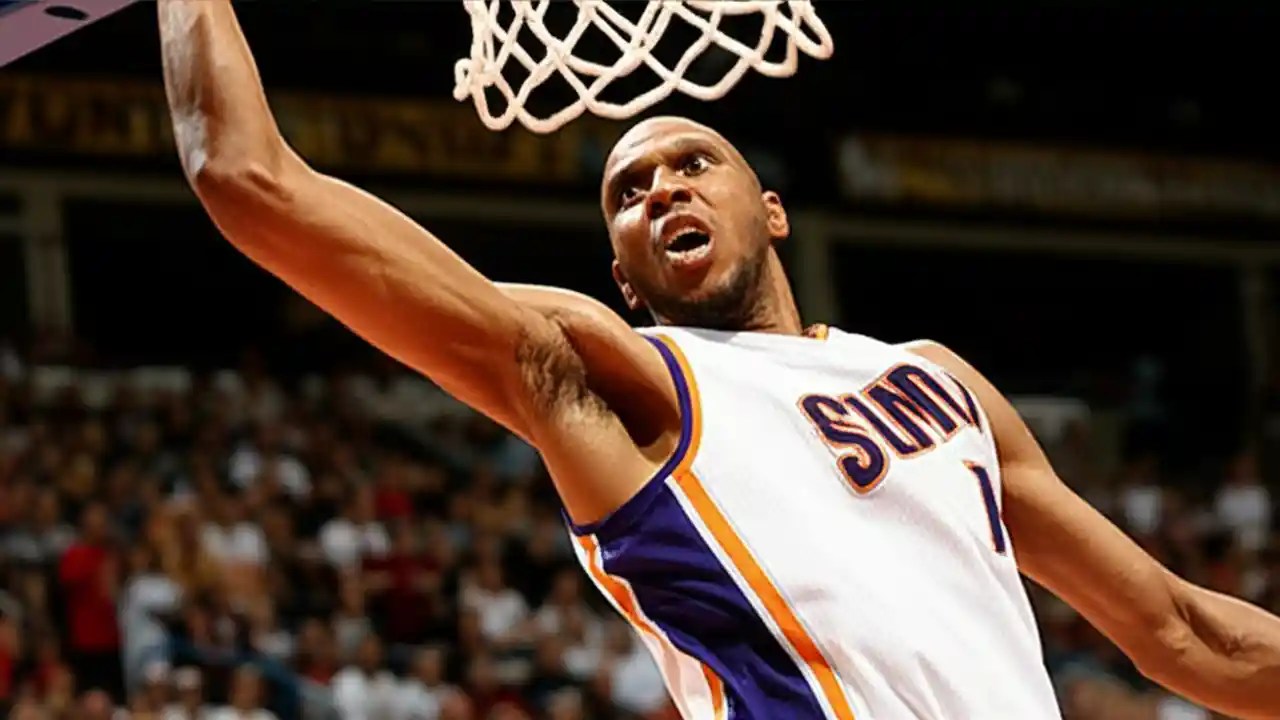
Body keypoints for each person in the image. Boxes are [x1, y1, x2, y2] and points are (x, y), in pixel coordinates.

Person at [156, 2, 1280, 717]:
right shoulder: (614, 381)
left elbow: (1181, 632)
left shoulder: (938, 382)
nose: (661, 189)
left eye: (692, 161)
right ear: (622, 274)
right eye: (627, 192)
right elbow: (248, 180)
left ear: (771, 209)